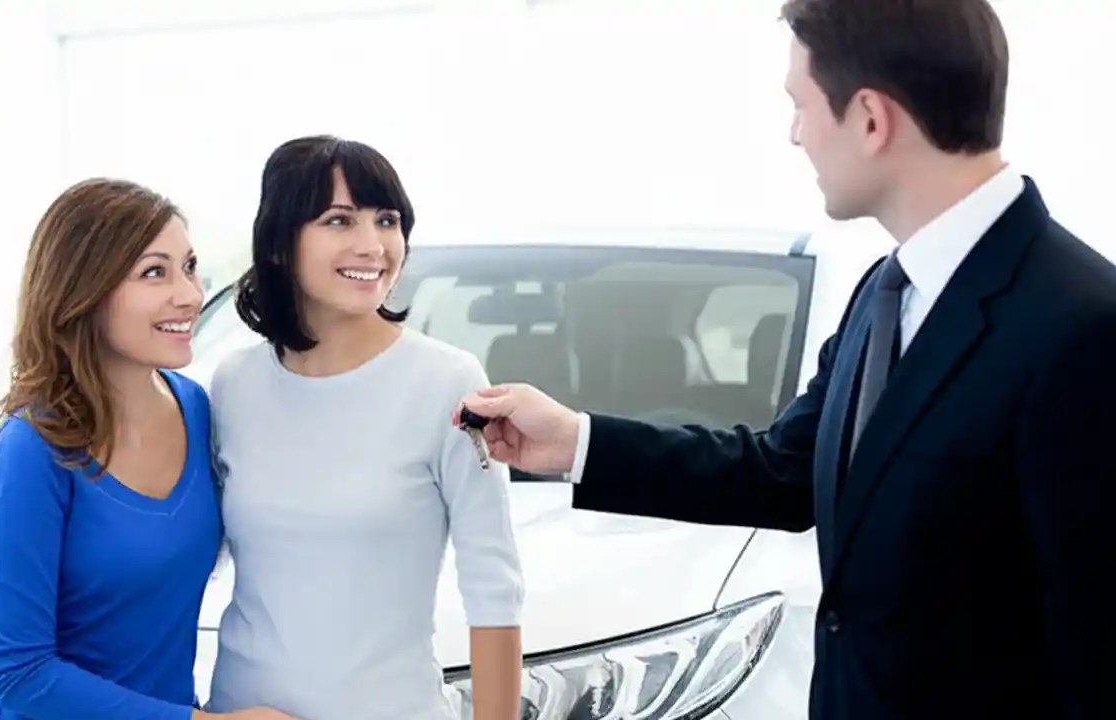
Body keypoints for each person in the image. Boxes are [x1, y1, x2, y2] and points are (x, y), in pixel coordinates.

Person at [456, 1, 1113, 718]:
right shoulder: (889, 292)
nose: (794, 133)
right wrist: (576, 441)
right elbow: (786, 471)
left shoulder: (1082, 325)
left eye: (800, 104)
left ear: (869, 118)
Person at [205, 135, 524, 720]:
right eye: (338, 220)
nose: (373, 244)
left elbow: (493, 586)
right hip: (238, 710)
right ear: (279, 241)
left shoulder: (447, 381)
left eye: (386, 220)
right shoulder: (232, 384)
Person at [0, 178, 289, 720]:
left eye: (188, 267)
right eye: (154, 273)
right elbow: (20, 675)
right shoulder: (31, 450)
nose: (189, 295)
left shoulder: (196, 407)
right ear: (84, 290)